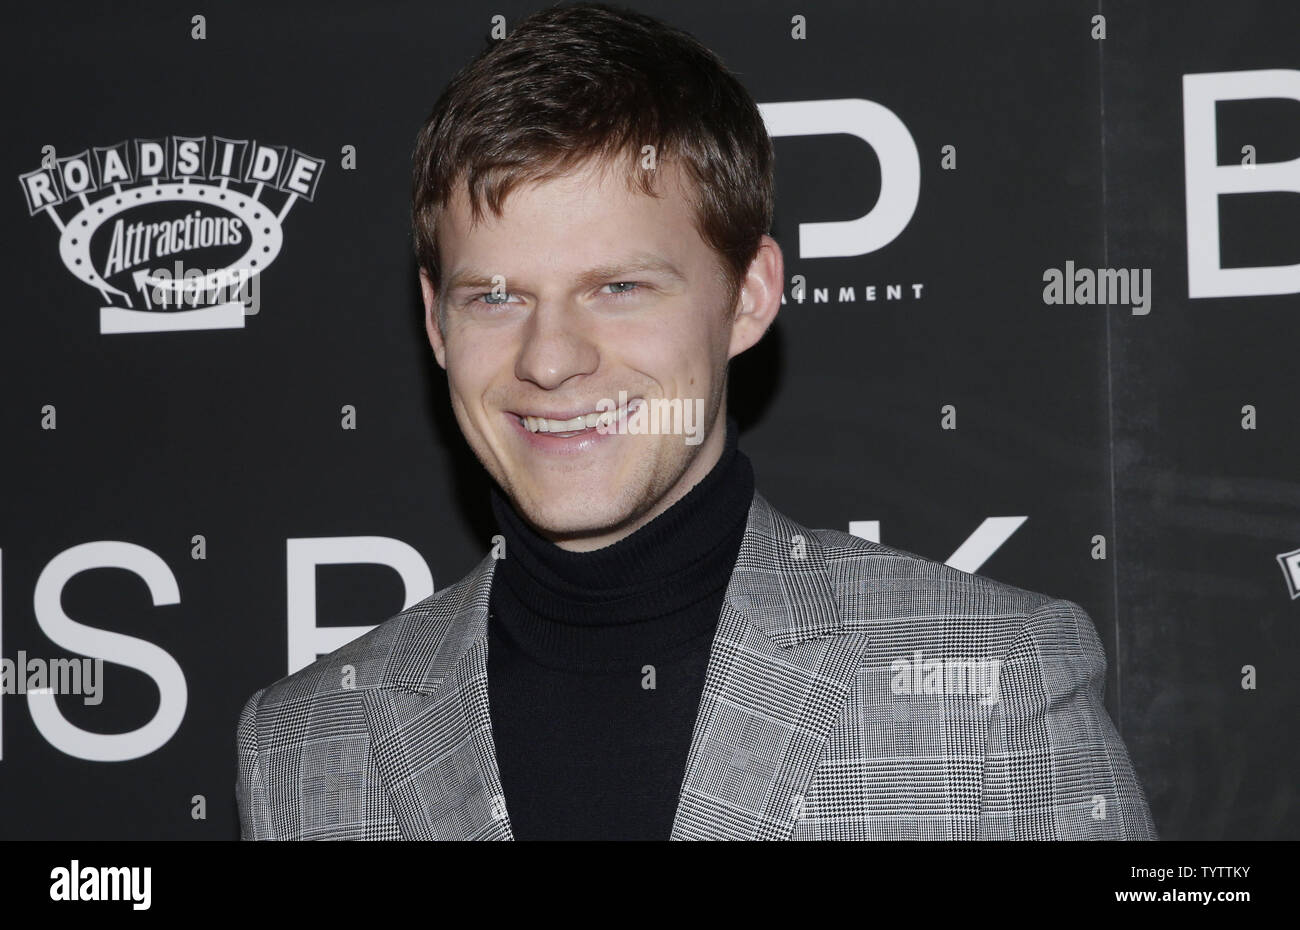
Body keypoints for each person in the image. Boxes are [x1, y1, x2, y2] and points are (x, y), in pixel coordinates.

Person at [235, 1, 1156, 840]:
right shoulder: (306, 747)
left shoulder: (996, 689)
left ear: (749, 296)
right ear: (436, 320)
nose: (550, 359)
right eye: (496, 298)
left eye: (621, 287)